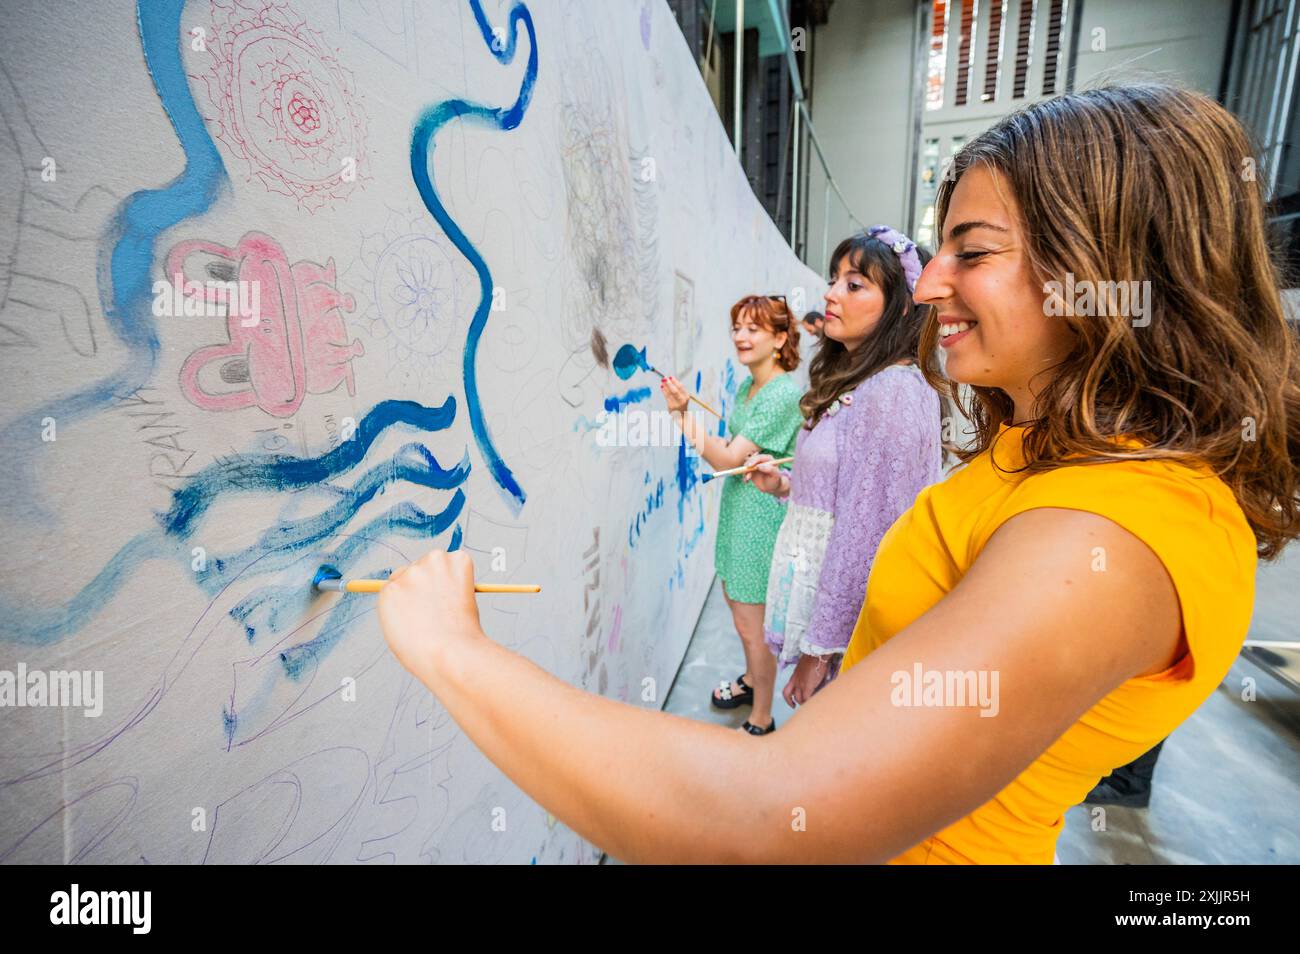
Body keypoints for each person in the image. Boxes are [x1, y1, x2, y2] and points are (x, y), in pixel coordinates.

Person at [377, 84, 1298, 863]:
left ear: (1110, 268)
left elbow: (769, 812)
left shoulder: (1113, 536)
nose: (931, 284)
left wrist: (456, 653)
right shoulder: (1059, 462)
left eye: (971, 252)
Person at [747, 228, 941, 707]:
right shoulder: (865, 380)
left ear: (899, 305)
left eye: (854, 285)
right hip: (828, 618)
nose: (831, 293)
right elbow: (845, 494)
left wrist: (819, 655)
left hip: (846, 641)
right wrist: (785, 484)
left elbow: (868, 535)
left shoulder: (892, 393)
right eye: (835, 280)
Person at [662, 295, 804, 734]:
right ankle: (750, 680)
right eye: (737, 328)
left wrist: (682, 416)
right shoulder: (749, 386)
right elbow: (737, 447)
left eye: (753, 329)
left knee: (752, 626)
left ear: (780, 338)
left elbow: (726, 461)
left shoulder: (783, 393)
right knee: (739, 609)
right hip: (740, 511)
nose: (740, 337)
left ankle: (762, 715)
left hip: (761, 518)